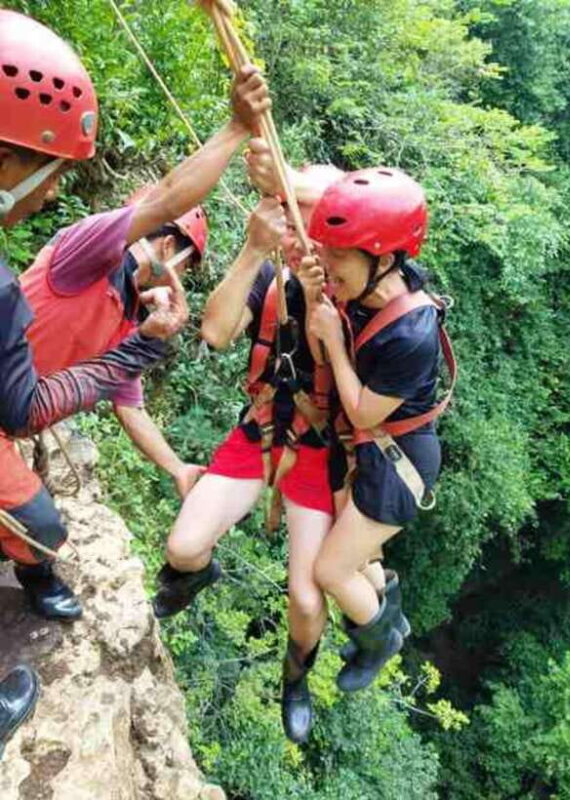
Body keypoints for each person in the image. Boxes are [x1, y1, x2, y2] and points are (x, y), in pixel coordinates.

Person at [0, 9, 180, 758]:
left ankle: (36, 576)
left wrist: (176, 469)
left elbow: (128, 406)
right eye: (49, 175)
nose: (48, 197)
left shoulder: (123, 307)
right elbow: (30, 403)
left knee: (39, 526)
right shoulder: (82, 258)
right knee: (39, 523)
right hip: (14, 401)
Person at [152, 161, 343, 744]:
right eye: (288, 213)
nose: (293, 224)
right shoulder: (270, 277)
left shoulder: (353, 284)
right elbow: (214, 332)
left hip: (317, 447)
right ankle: (195, 576)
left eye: (301, 213)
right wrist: (254, 251)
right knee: (182, 548)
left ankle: (296, 676)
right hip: (262, 430)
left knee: (308, 603)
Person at [19, 64, 271, 499]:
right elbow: (168, 198)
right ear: (172, 251)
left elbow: (129, 405)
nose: (186, 277)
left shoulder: (133, 320)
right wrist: (236, 127)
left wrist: (176, 467)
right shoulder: (92, 249)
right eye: (190, 265)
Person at [301, 167, 453, 693]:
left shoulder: (412, 333)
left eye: (339, 255)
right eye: (327, 249)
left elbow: (365, 410)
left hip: (397, 461)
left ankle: (382, 639)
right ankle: (384, 615)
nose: (327, 262)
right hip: (369, 451)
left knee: (331, 572)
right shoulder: (368, 289)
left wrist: (335, 342)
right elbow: (324, 352)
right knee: (360, 558)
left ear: (384, 259)